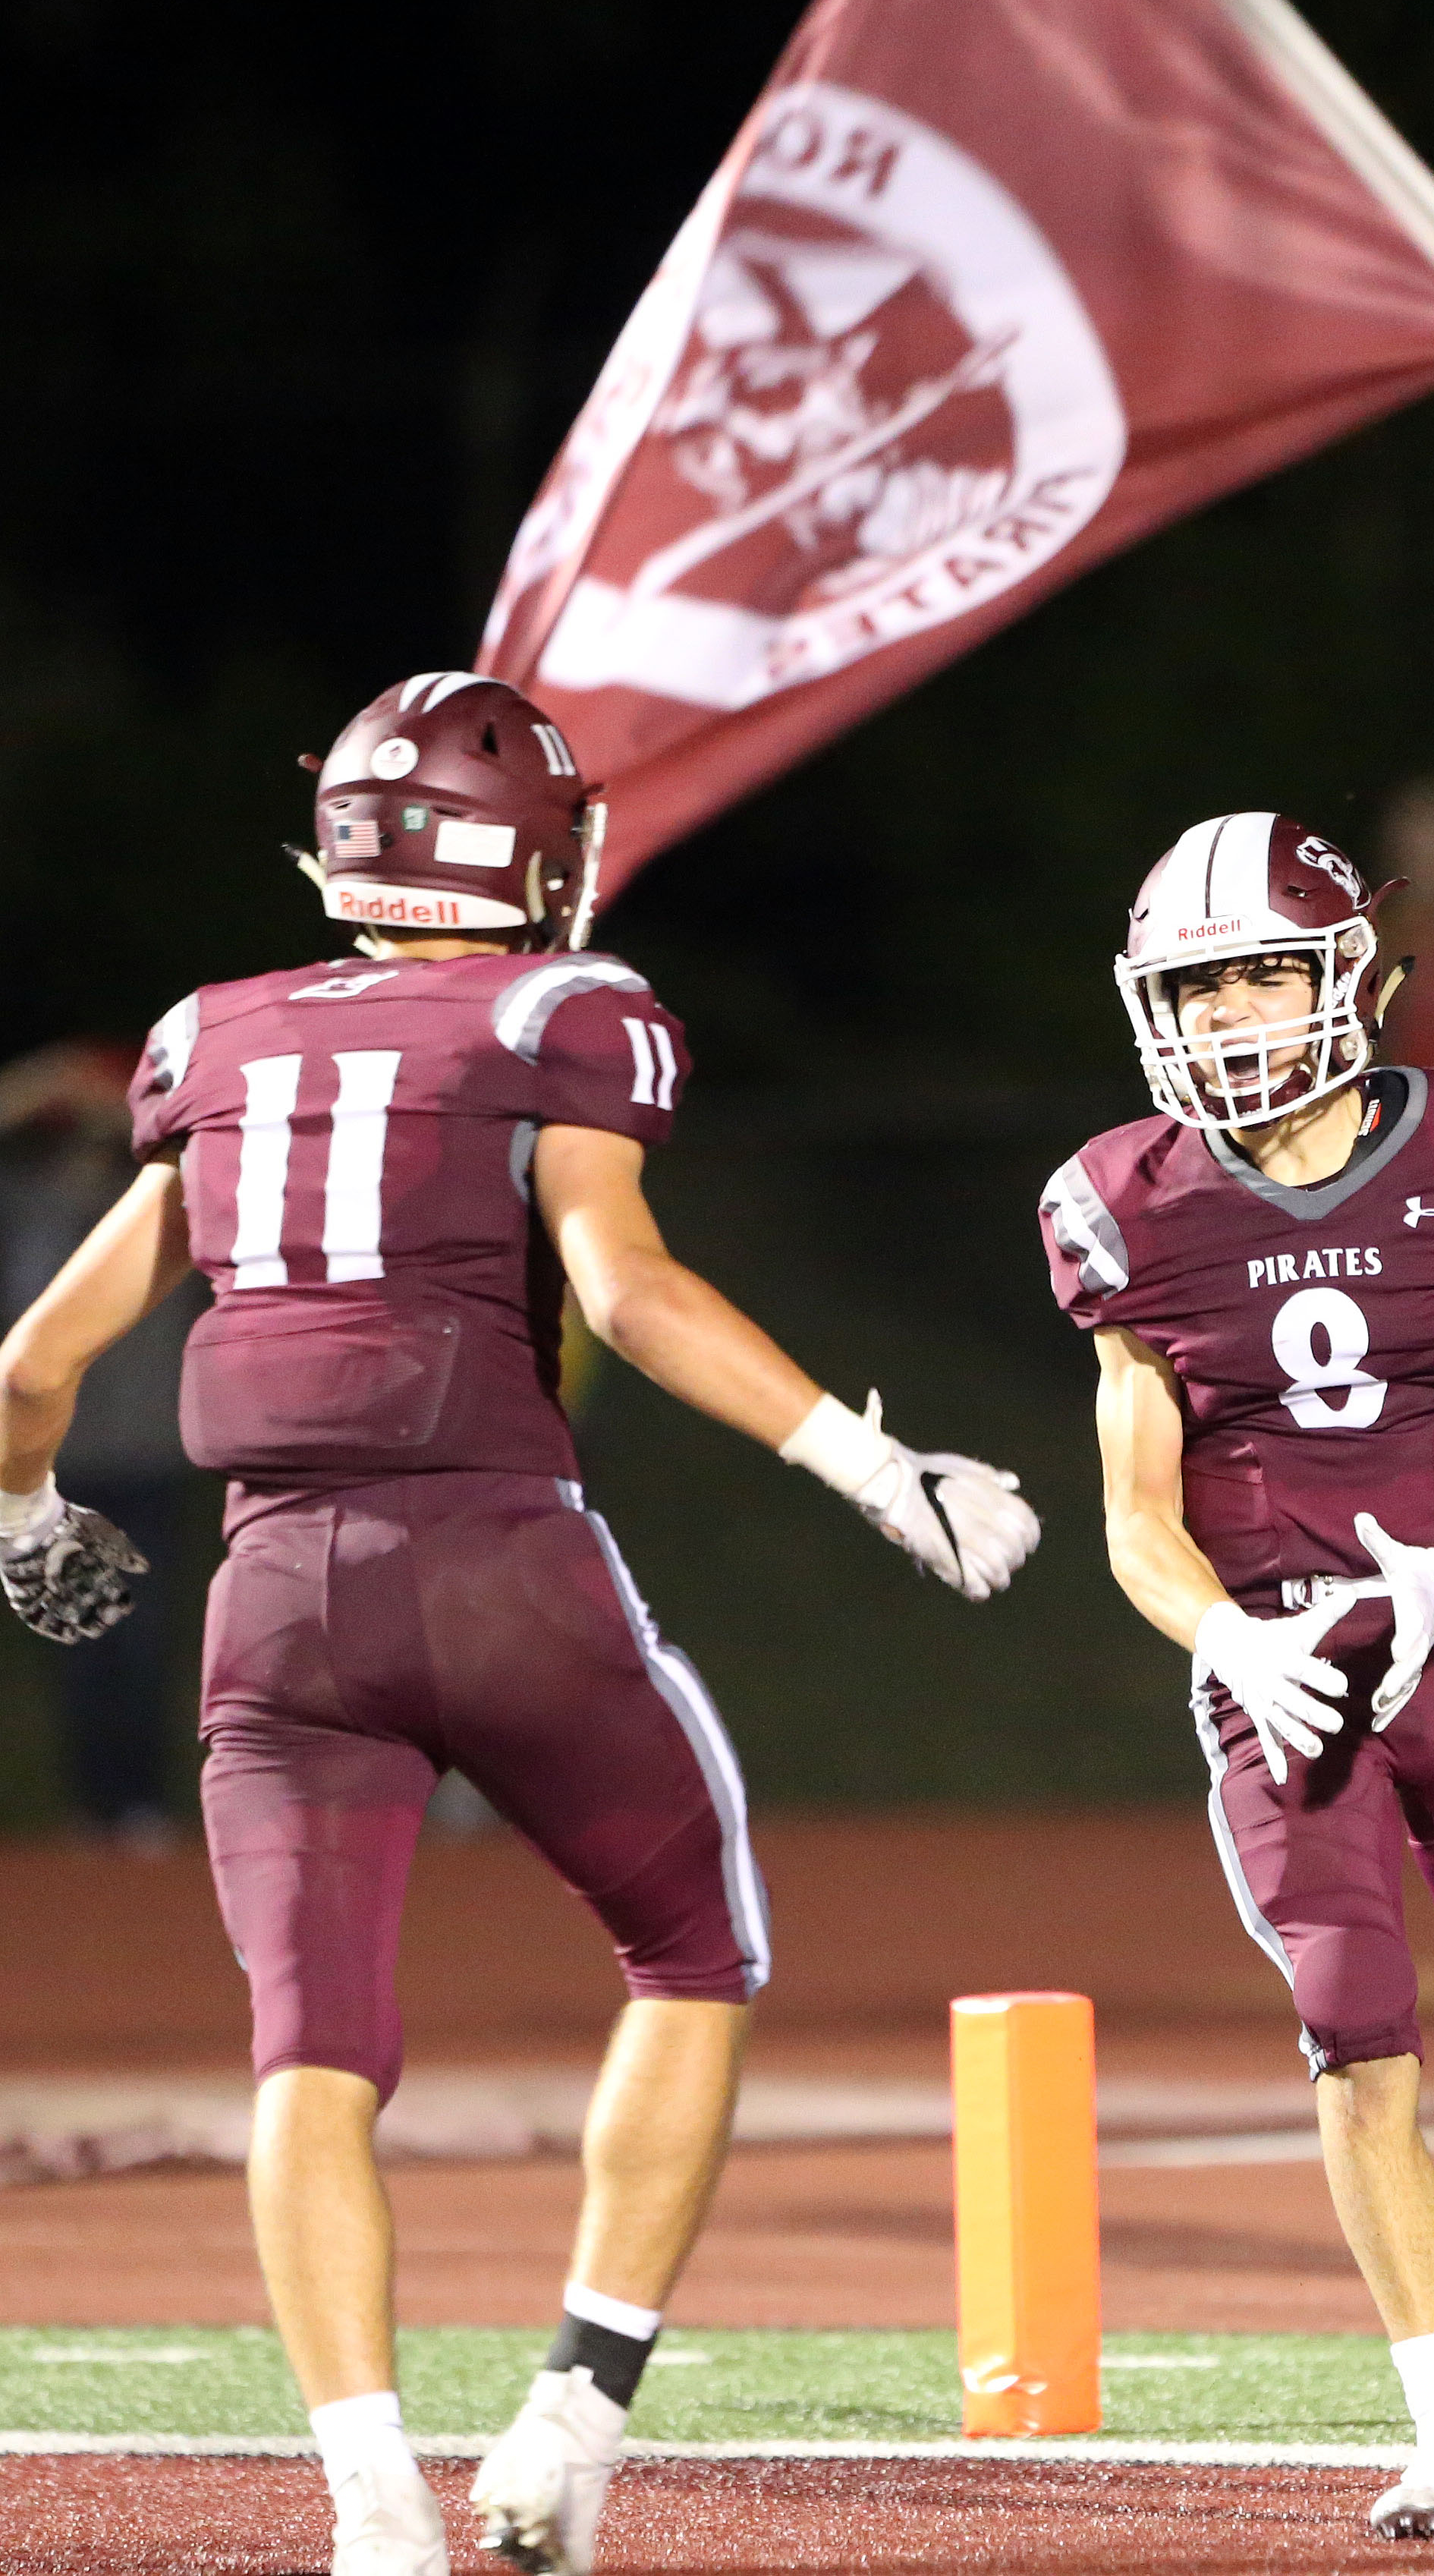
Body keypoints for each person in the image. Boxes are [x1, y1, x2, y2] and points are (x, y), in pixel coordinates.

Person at [0, 672, 1040, 2576]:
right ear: (540, 859)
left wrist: (22, 1517)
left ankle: (370, 2495)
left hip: (277, 1592)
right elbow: (627, 1291)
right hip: (494, 1553)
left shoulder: (206, 1035)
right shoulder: (565, 1011)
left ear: (343, 845)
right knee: (693, 1946)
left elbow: (33, 1358)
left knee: (310, 2047)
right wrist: (886, 1474)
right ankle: (570, 2413)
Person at [1039, 812, 1434, 2541]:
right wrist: (1236, 1635)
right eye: (1199, 986)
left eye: (1258, 974)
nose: (1234, 1017)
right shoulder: (1128, 1203)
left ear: (1348, 980)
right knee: (1352, 2022)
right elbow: (1134, 1516)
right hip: (1292, 1685)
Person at [0, 1040, 197, 1842]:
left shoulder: (167, 1195)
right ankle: (96, 1806)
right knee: (76, 1634)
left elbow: (178, 1125)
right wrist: (41, 1081)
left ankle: (143, 1806)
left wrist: (106, 1094)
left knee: (142, 1635)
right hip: (54, 1451)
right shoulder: (25, 1197)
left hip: (149, 1449)